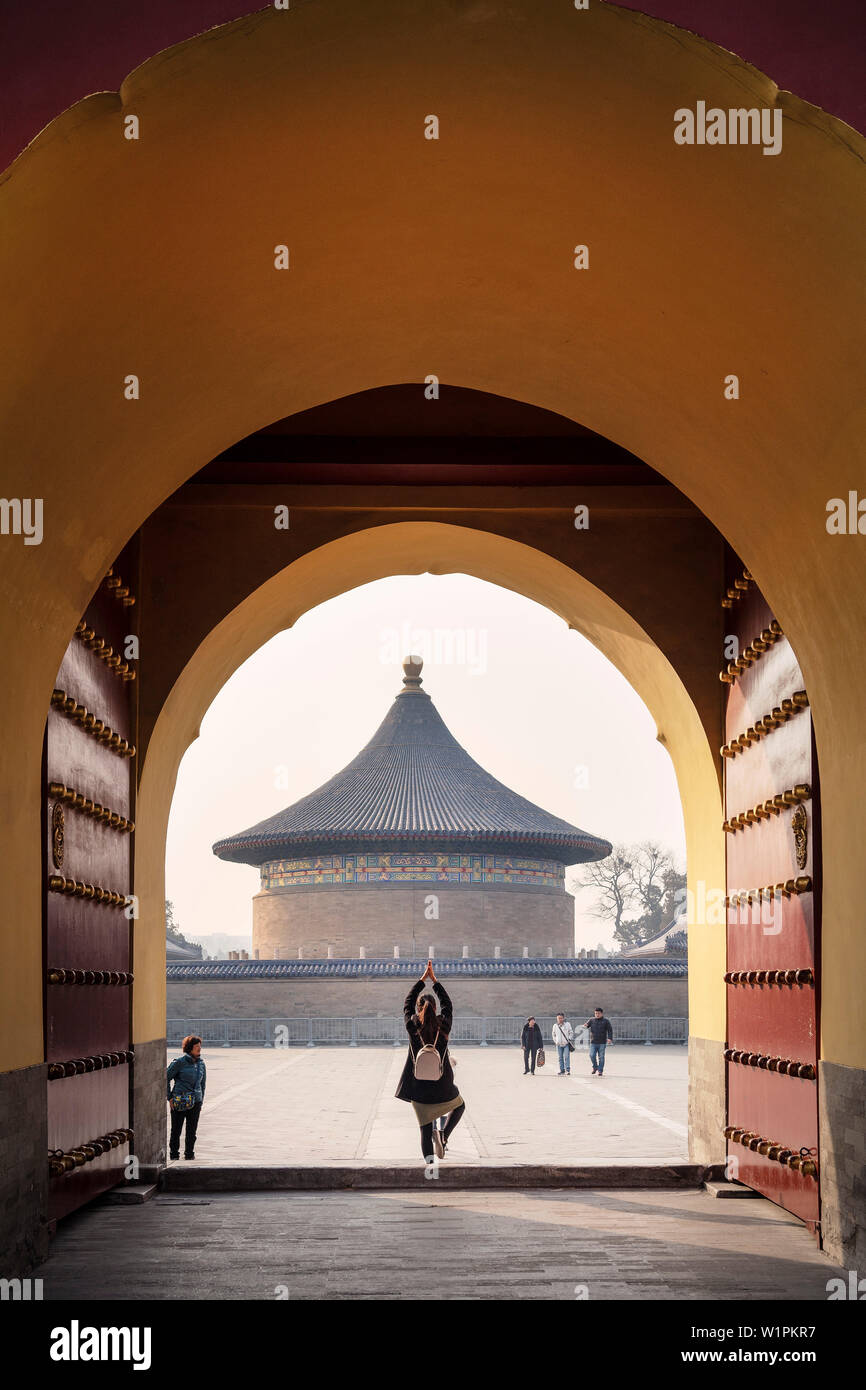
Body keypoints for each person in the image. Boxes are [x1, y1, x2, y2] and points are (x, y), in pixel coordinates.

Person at [395, 960, 465, 1169]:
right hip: (443, 1087)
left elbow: (406, 1004)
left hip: (418, 1089)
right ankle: (443, 1135)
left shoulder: (412, 1025)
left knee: (425, 1131)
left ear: (418, 1009)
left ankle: (431, 1171)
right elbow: (448, 1005)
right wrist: (434, 981)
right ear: (435, 1008)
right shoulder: (444, 1024)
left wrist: (420, 980)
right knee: (460, 1106)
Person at [167, 1034, 206, 1160]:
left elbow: (202, 1084)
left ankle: (189, 1154)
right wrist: (170, 1098)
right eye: (196, 1047)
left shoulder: (201, 1064)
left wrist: (201, 1101)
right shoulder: (179, 1062)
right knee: (176, 1131)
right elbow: (165, 1078)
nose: (199, 1049)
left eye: (200, 1046)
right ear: (189, 1048)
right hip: (179, 1101)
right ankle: (174, 1155)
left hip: (196, 1102)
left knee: (191, 1131)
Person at [583, 1006, 614, 1076]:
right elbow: (586, 1026)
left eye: (598, 1013)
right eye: (596, 1013)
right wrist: (584, 1026)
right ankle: (595, 1067)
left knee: (601, 1057)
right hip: (593, 1042)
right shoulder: (591, 1020)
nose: (597, 1015)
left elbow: (610, 1030)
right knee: (591, 1055)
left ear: (602, 1014)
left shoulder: (606, 1021)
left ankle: (600, 1070)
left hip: (602, 1042)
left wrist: (610, 1038)